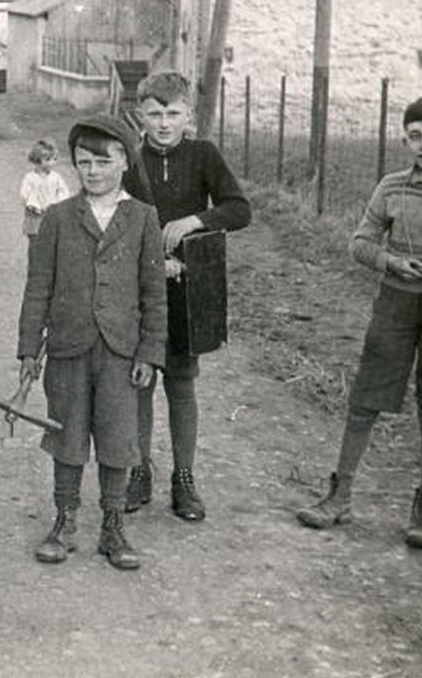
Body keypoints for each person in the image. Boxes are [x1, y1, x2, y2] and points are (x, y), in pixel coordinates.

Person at [296, 93, 422, 549]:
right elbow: (359, 242)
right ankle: (340, 495)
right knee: (366, 398)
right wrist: (389, 262)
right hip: (396, 303)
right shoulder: (391, 187)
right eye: (414, 136)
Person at [17, 116, 167, 570]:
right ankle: (64, 520)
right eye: (84, 162)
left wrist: (150, 352)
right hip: (68, 348)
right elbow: (38, 285)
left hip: (121, 352)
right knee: (66, 434)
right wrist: (28, 349)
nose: (94, 171)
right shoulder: (59, 217)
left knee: (118, 438)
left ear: (125, 161)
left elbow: (154, 293)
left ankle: (113, 525)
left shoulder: (142, 218)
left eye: (104, 161)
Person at [120, 70, 251, 522]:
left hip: (190, 289)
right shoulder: (129, 161)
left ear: (189, 115)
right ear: (140, 115)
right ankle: (139, 470)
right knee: (140, 379)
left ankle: (184, 477)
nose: (163, 123)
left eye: (172, 114)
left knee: (180, 381)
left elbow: (240, 209)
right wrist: (154, 254)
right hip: (141, 287)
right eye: (154, 114)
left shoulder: (204, 155)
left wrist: (196, 221)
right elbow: (116, 222)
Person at [19, 139, 71, 244]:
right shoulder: (30, 178)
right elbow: (25, 195)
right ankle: (35, 259)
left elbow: (63, 191)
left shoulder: (56, 177)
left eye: (54, 159)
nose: (52, 163)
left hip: (52, 214)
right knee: (35, 242)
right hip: (35, 215)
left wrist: (56, 204)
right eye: (47, 160)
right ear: (38, 160)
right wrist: (34, 206)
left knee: (51, 241)